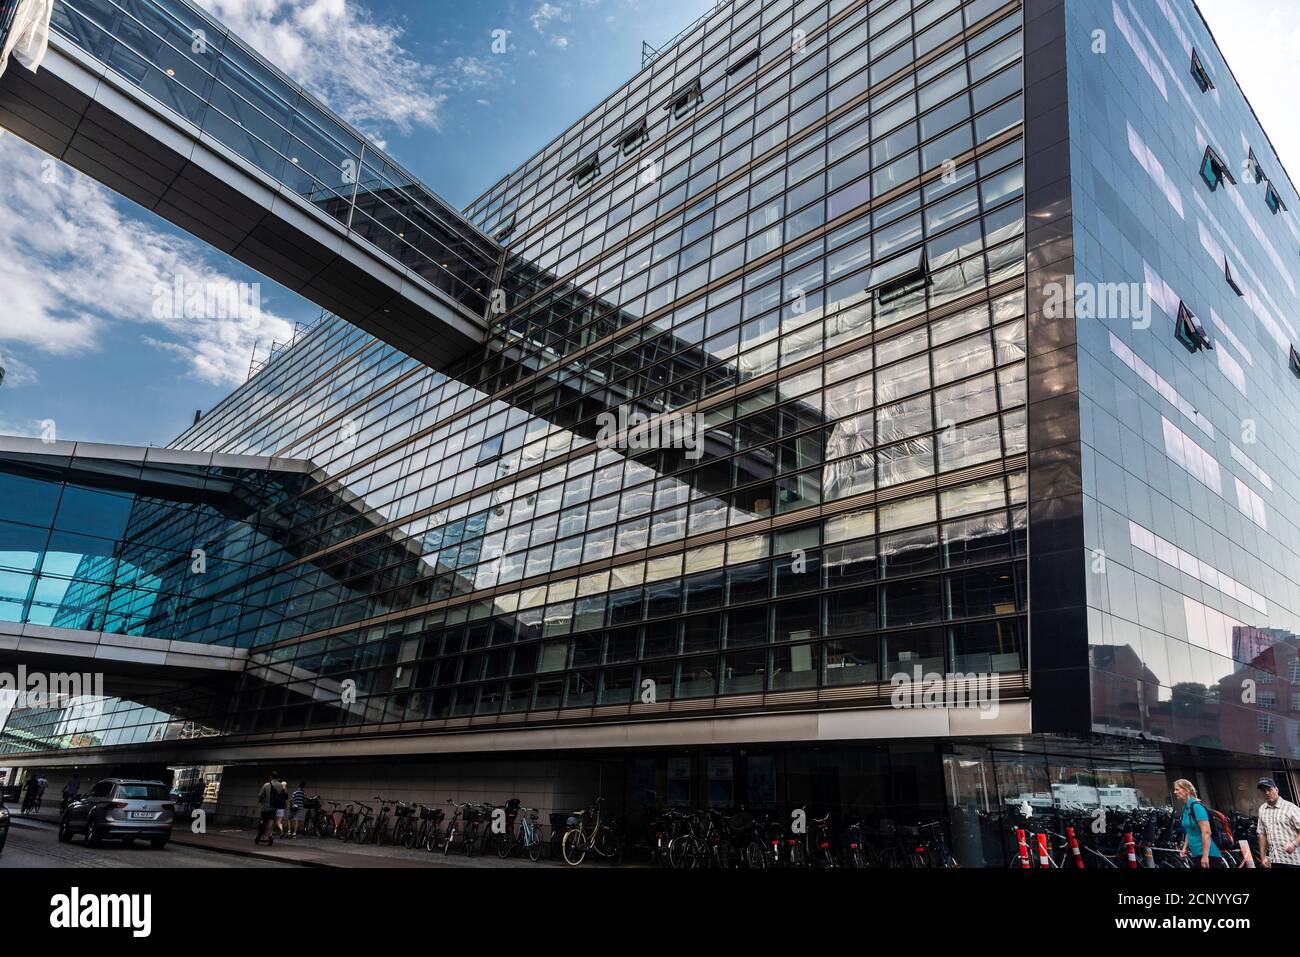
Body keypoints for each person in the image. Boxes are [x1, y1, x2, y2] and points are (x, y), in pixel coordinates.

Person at [1174, 780, 1224, 868]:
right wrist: (1185, 848)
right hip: (1197, 854)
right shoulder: (1185, 808)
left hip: (1209, 855)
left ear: (1186, 790)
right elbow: (1189, 830)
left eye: (1177, 789)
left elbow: (1206, 832)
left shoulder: (1197, 807)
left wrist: (1205, 856)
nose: (1175, 792)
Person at [1256, 778, 1300, 869]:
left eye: (1269, 789)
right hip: (1275, 861)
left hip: (1294, 861)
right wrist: (1263, 857)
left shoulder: (1290, 808)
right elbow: (1262, 834)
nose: (1267, 793)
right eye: (1264, 791)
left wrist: (1294, 843)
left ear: (1276, 789)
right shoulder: (1262, 809)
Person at [254, 771, 285, 846]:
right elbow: (283, 795)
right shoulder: (281, 786)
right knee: (271, 820)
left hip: (265, 807)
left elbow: (260, 795)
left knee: (263, 821)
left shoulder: (267, 784)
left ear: (271, 777)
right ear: (277, 778)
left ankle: (261, 835)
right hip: (275, 807)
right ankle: (268, 835)